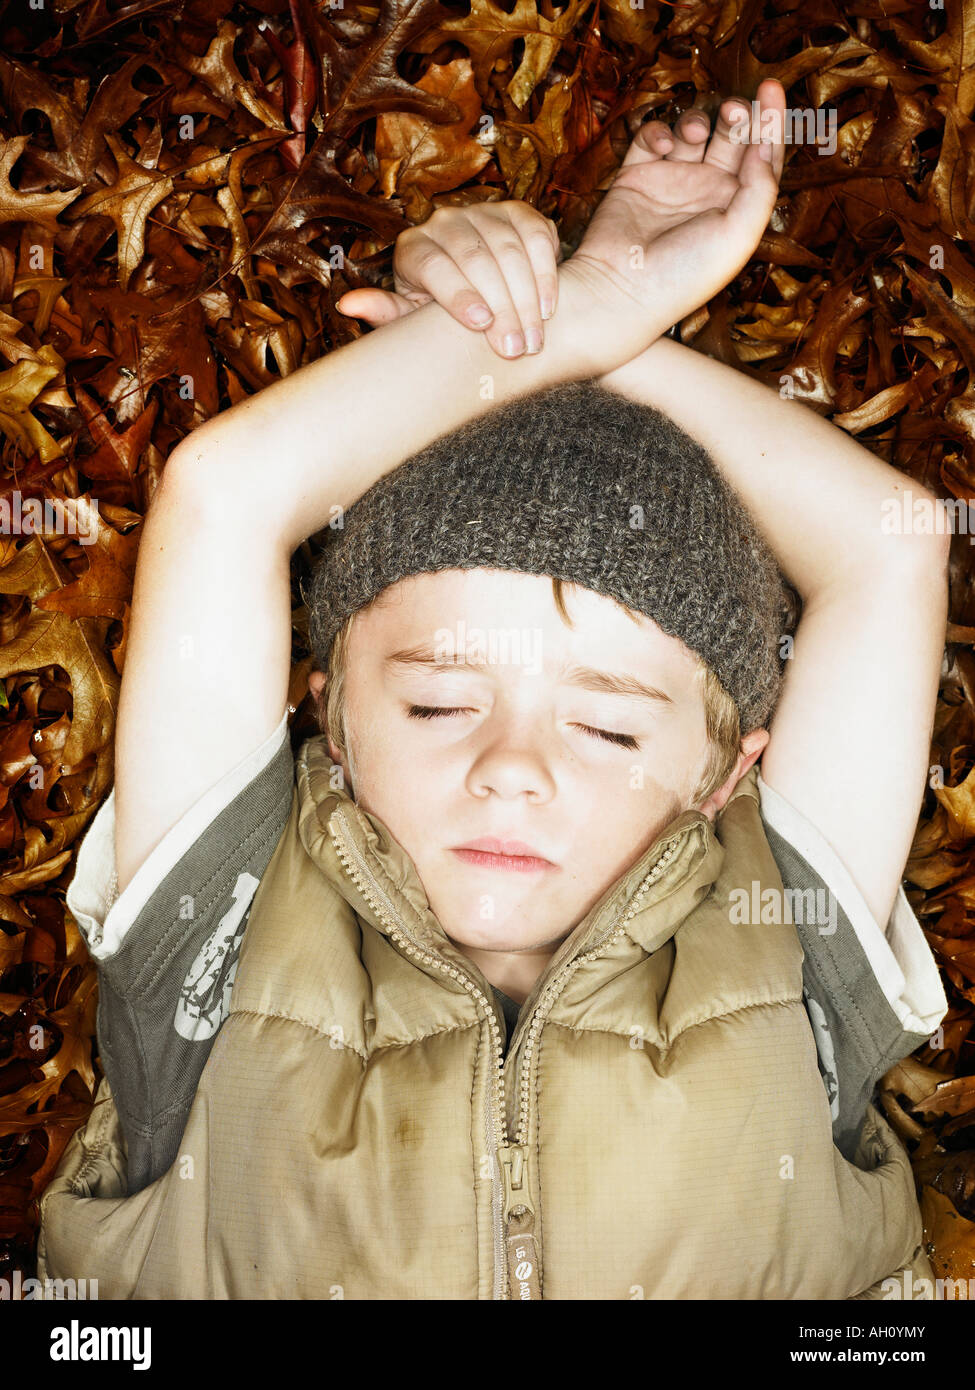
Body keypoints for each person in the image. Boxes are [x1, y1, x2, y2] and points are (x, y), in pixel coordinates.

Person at [37, 81, 949, 1299]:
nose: (511, 767)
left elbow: (892, 544)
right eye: (437, 704)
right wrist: (601, 308)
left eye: (610, 723)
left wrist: (542, 338)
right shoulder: (226, 923)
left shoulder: (788, 933)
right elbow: (225, 497)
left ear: (729, 770)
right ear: (329, 713)